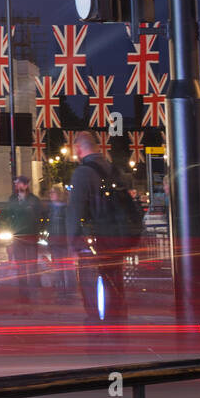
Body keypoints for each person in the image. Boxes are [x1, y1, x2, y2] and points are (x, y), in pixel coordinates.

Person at [66, 131, 130, 323]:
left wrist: (72, 242)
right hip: (116, 238)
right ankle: (117, 318)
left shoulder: (82, 173)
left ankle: (97, 321)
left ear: (78, 148)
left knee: (90, 285)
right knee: (114, 282)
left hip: (92, 242)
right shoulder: (112, 169)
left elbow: (75, 210)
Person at [0, 176, 46, 300]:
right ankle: (23, 294)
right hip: (18, 237)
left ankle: (34, 292)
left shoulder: (33, 200)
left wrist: (38, 229)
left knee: (32, 266)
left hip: (31, 236)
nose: (16, 186)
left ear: (25, 185)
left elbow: (42, 215)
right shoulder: (12, 199)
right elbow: (8, 215)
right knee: (21, 267)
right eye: (16, 184)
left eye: (18, 184)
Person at [45, 184, 73, 296]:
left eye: (53, 192)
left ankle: (70, 290)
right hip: (55, 242)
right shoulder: (52, 209)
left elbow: (69, 226)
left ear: (59, 194)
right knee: (58, 268)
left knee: (68, 268)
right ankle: (60, 289)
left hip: (64, 243)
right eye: (50, 192)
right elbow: (50, 225)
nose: (51, 194)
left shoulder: (65, 209)